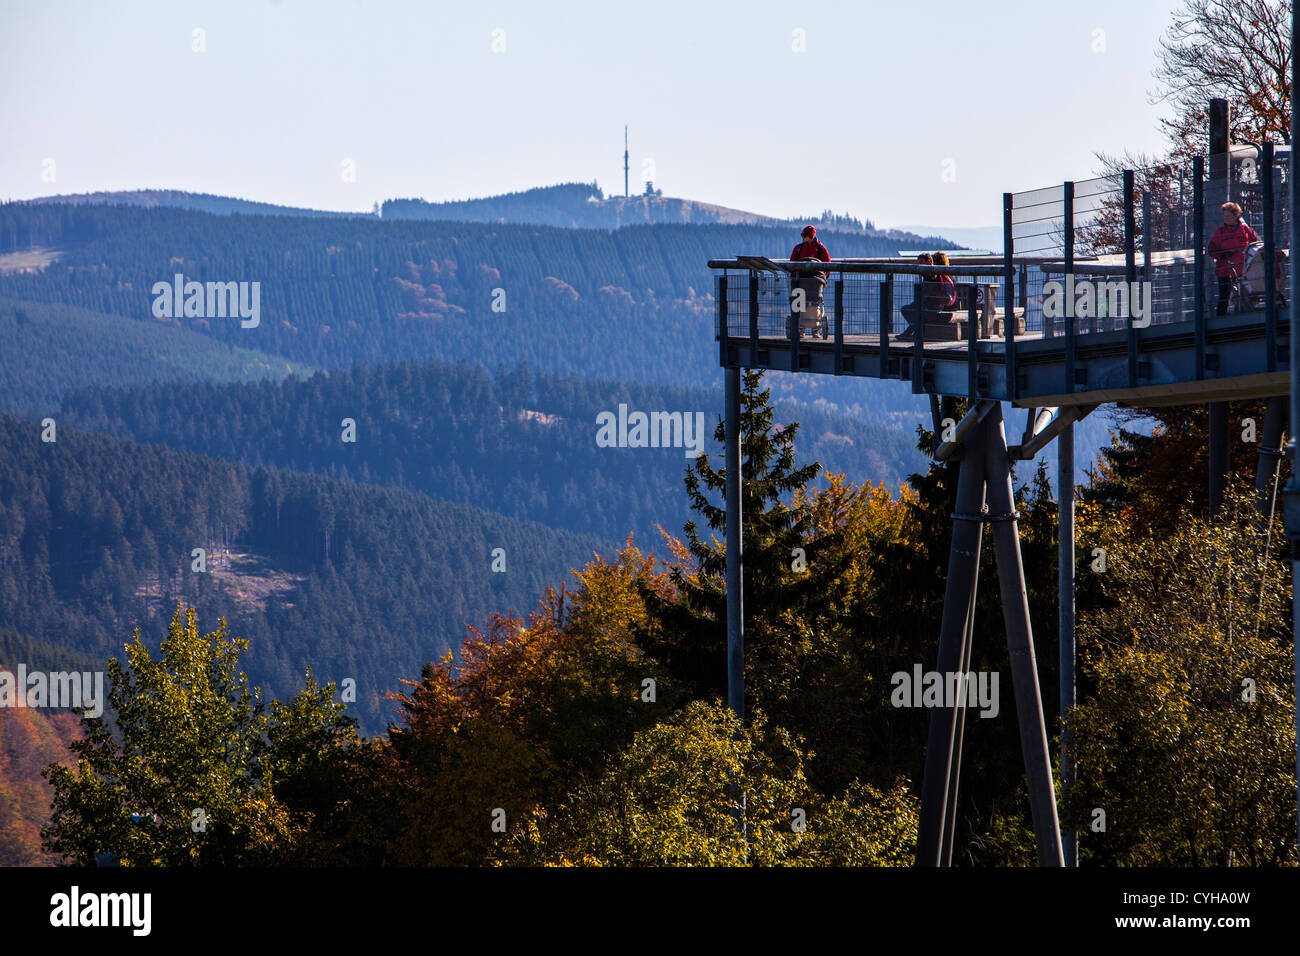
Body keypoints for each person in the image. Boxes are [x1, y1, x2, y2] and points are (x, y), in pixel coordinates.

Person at [1208, 201, 1259, 315]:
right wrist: (1222, 254)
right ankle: (1221, 321)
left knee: (1245, 297)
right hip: (1225, 270)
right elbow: (1211, 250)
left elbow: (1256, 244)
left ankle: (1242, 317)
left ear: (1236, 215)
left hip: (1244, 270)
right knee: (1224, 297)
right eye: (1224, 216)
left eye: (1229, 216)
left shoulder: (1245, 230)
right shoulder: (1220, 232)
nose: (1226, 218)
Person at [789, 225, 830, 337]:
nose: (802, 237)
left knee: (811, 303)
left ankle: (813, 330)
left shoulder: (820, 248)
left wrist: (822, 279)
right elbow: (791, 264)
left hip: (812, 282)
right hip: (805, 281)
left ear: (810, 236)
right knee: (805, 303)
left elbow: (827, 265)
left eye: (804, 235)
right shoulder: (799, 248)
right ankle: (802, 329)